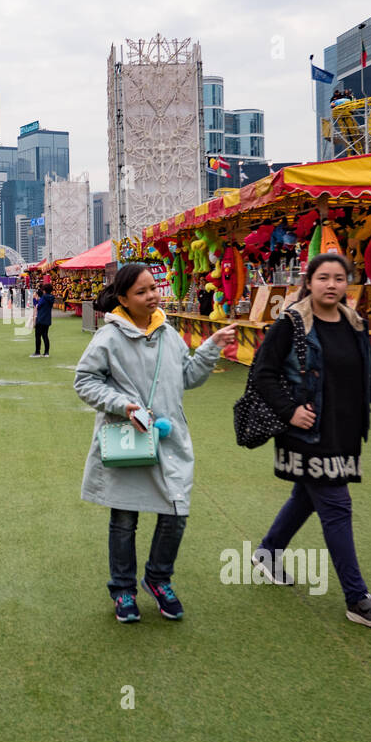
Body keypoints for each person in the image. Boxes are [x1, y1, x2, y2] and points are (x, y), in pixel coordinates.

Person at [249, 253, 371, 629]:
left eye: (340, 278)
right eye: (324, 277)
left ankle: (268, 551)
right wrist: (289, 410)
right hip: (306, 432)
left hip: (345, 432)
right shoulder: (292, 322)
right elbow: (263, 373)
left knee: (307, 495)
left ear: (348, 283)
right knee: (336, 505)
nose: (332, 285)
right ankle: (358, 598)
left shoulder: (356, 324)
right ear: (309, 281)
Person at [74, 263, 236, 623]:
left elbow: (189, 377)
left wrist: (211, 347)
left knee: (176, 512)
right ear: (124, 299)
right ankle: (123, 589)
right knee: (124, 517)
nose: (152, 296)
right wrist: (121, 405)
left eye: (153, 288)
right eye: (142, 292)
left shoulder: (168, 333)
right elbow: (84, 381)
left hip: (169, 438)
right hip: (129, 440)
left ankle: (158, 578)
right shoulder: (108, 338)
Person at [31, 283, 54, 357]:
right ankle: (46, 352)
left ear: (44, 290)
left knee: (38, 336)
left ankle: (37, 352)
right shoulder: (51, 298)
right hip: (47, 319)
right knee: (45, 336)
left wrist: (35, 300)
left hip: (40, 319)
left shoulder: (43, 298)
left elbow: (38, 306)